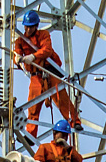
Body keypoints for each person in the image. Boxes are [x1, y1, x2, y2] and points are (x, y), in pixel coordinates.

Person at [12, 9, 78, 139]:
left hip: (49, 72)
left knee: (61, 99)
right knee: (33, 105)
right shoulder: (20, 40)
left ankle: (75, 122)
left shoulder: (43, 35)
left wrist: (33, 56)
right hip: (36, 75)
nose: (29, 30)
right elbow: (17, 52)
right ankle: (31, 135)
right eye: (27, 27)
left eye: (31, 27)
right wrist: (18, 59)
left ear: (36, 26)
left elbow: (47, 50)